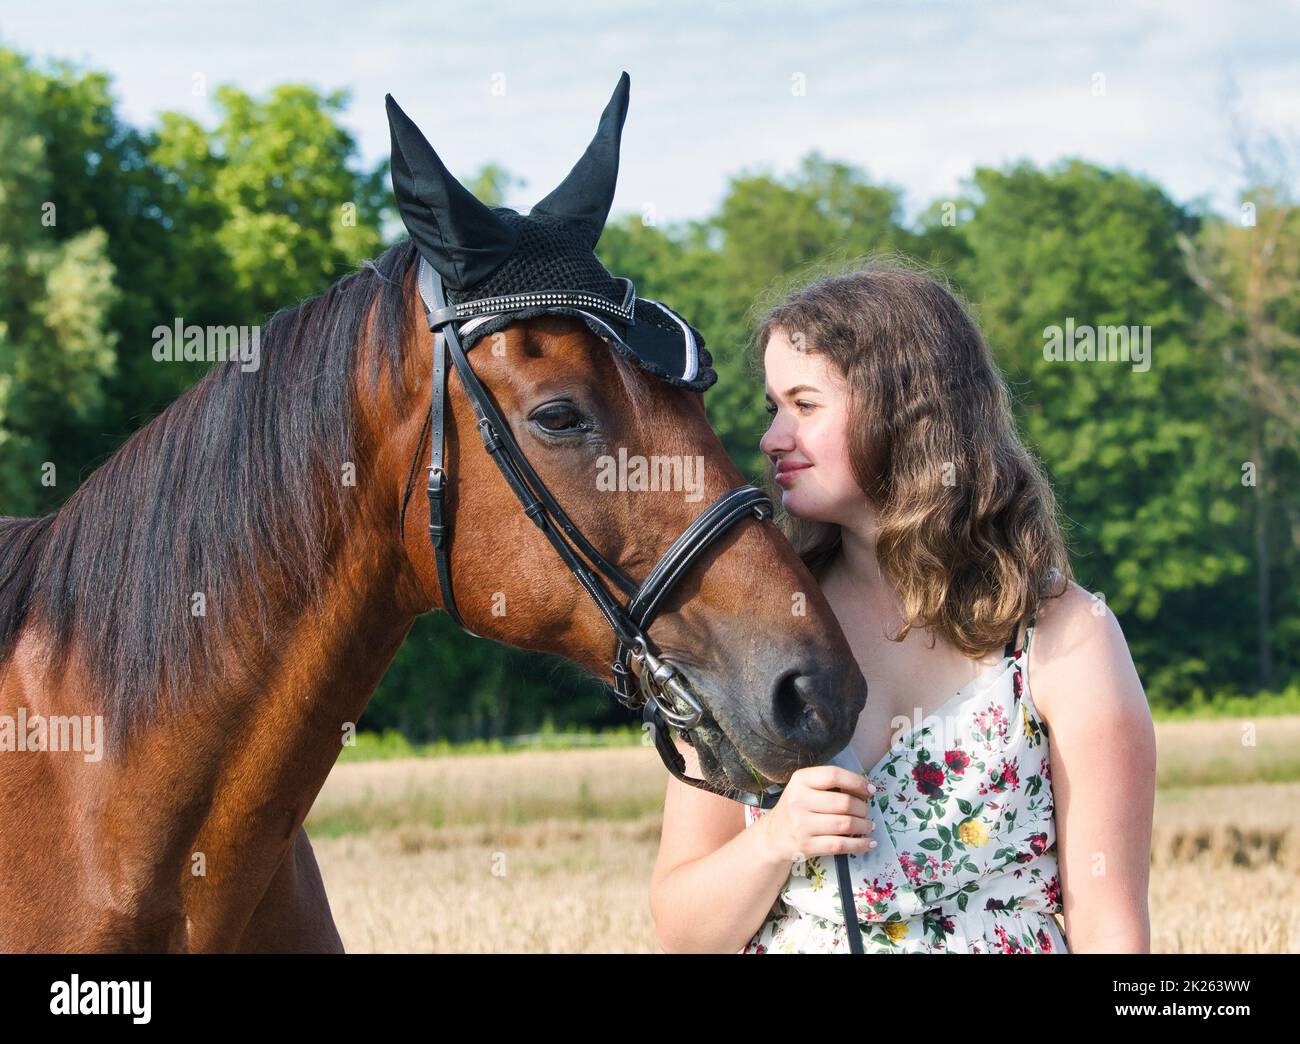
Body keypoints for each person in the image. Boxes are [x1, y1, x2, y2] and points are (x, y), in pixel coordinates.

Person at [649, 261, 1156, 954]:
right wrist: (774, 839)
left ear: (906, 410)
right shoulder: (746, 632)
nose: (771, 439)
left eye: (804, 405)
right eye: (774, 408)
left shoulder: (1063, 635)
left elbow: (1110, 923)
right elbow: (681, 933)